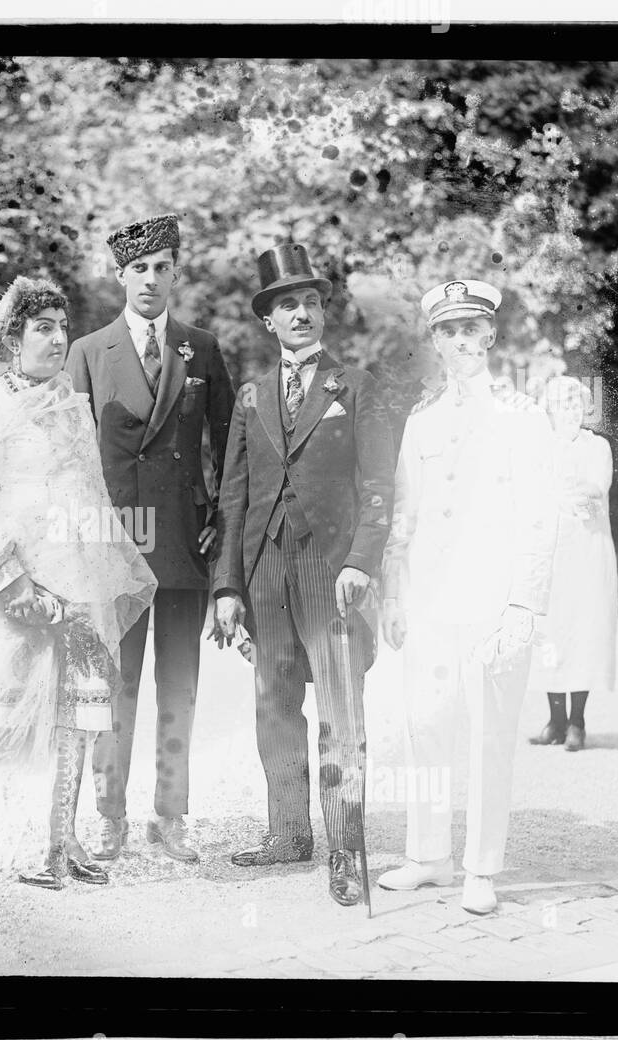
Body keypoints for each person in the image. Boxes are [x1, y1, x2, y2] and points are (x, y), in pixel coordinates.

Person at [0, 276, 158, 890]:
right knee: (17, 712)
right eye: (43, 328)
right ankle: (16, 842)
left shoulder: (71, 403)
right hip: (18, 588)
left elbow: (90, 493)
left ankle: (62, 839)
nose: (58, 339)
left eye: (62, 327)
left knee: (77, 712)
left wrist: (100, 575)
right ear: (12, 339)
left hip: (76, 577)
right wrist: (13, 583)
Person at [212, 243, 395, 908]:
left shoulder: (357, 389)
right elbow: (233, 498)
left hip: (331, 573)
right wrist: (227, 587)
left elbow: (378, 487)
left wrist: (360, 562)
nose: (302, 314)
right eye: (287, 304)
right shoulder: (252, 395)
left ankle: (346, 848)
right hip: (264, 575)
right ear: (269, 320)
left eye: (312, 302)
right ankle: (288, 834)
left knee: (342, 716)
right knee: (274, 707)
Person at [378, 279, 556, 915]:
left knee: (488, 731)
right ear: (435, 342)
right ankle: (428, 854)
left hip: (492, 600)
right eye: (447, 331)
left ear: (491, 336)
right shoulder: (421, 420)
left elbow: (540, 517)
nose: (460, 341)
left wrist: (524, 606)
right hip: (428, 598)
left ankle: (481, 867)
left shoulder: (524, 416)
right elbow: (404, 515)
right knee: (424, 723)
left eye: (470, 329)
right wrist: (395, 596)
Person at [65, 214, 235, 864]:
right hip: (114, 551)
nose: (152, 279)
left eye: (163, 267)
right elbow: (67, 458)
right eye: (140, 268)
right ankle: (111, 816)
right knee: (115, 688)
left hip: (185, 547)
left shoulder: (201, 348)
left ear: (174, 273)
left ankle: (172, 816)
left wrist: (220, 518)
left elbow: (230, 446)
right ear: (121, 275)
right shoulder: (89, 352)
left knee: (180, 687)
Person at [527, 376, 618, 751]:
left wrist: (566, 494)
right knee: (552, 629)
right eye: (563, 404)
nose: (571, 411)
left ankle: (578, 721)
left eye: (576, 403)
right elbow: (533, 493)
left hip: (587, 548)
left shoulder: (597, 447)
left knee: (583, 627)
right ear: (550, 409)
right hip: (551, 551)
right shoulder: (540, 448)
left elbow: (596, 487)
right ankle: (555, 720)